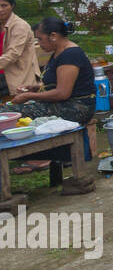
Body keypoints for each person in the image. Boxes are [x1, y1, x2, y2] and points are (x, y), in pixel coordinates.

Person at [8, 17, 98, 194]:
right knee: (11, 112)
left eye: (40, 39)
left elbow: (63, 93)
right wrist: (34, 88)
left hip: (75, 108)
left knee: (13, 113)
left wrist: (29, 96)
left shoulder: (71, 55)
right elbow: (54, 85)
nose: (38, 43)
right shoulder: (58, 53)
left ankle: (27, 155)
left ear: (54, 36)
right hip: (64, 103)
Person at [0, 0, 40, 100]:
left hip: (15, 75)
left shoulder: (20, 26)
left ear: (12, 6)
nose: (0, 9)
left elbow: (13, 54)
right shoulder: (2, 23)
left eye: (4, 6)